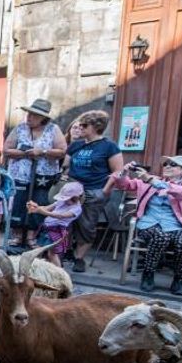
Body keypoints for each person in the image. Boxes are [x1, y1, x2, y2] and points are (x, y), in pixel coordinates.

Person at [112, 155, 182, 296]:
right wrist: (125, 172)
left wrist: (151, 180)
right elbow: (124, 185)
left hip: (176, 224)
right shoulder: (150, 180)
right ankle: (148, 274)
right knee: (161, 236)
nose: (167, 166)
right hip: (149, 222)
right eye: (165, 164)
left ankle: (179, 280)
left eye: (172, 164)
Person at [64, 110, 123, 272]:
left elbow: (118, 171)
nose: (80, 128)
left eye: (84, 125)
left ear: (96, 126)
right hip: (72, 190)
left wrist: (105, 190)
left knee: (86, 225)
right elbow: (65, 166)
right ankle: (65, 251)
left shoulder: (109, 146)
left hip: (94, 190)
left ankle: (79, 258)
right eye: (80, 124)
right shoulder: (76, 145)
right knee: (65, 222)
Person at [4, 99, 67, 247]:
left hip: (43, 176)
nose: (29, 117)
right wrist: (25, 153)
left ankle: (31, 236)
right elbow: (7, 150)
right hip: (20, 175)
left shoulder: (53, 129)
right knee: (18, 203)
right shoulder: (20, 128)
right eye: (29, 114)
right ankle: (17, 235)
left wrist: (43, 151)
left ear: (43, 118)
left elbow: (62, 150)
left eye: (35, 115)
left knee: (38, 203)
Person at [28, 182, 85, 267]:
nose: (65, 200)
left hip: (57, 230)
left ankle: (59, 273)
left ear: (76, 198)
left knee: (52, 254)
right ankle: (37, 269)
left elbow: (61, 216)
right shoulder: (61, 202)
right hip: (47, 228)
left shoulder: (76, 209)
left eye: (67, 198)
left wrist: (43, 212)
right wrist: (36, 208)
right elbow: (47, 208)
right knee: (38, 250)